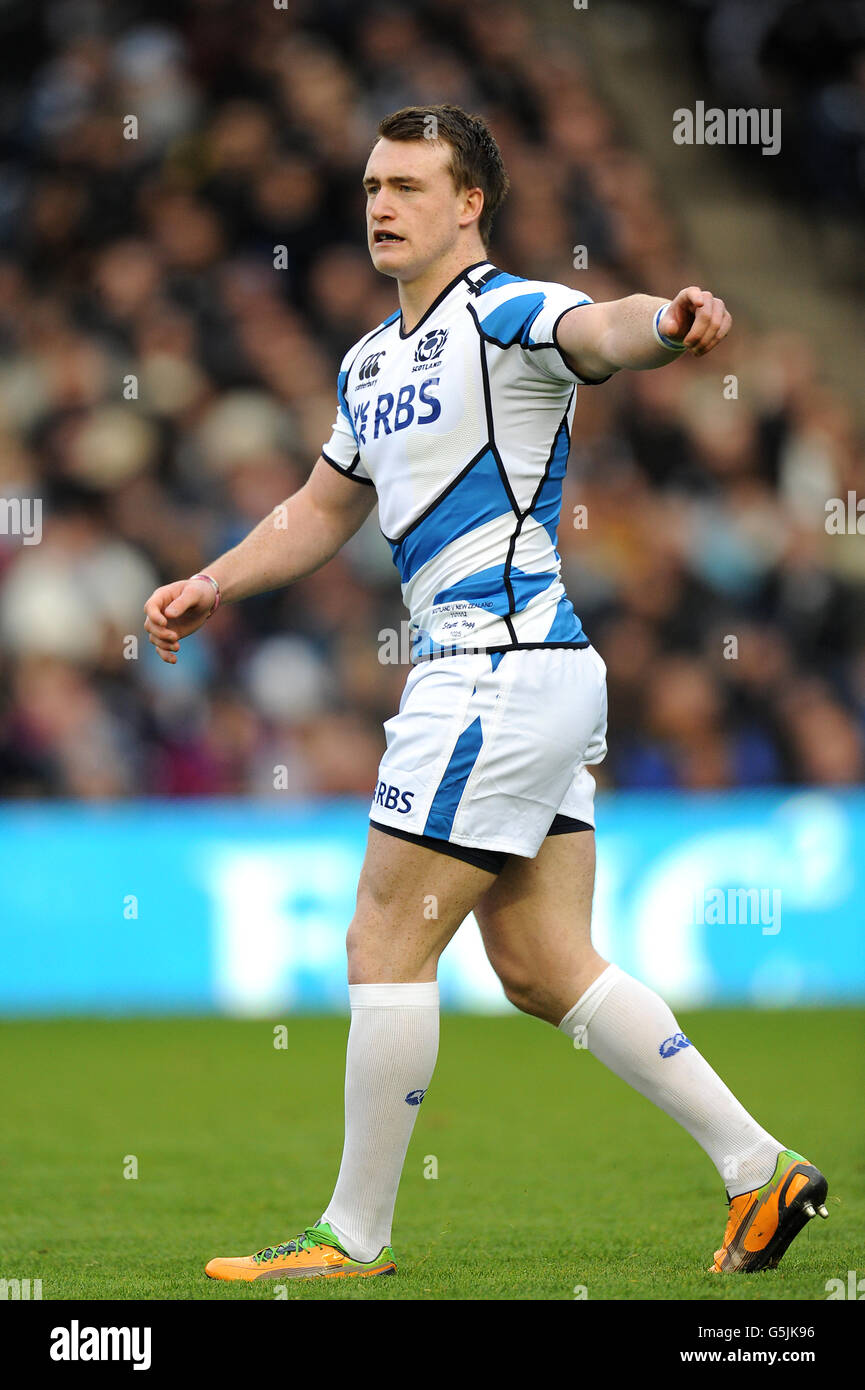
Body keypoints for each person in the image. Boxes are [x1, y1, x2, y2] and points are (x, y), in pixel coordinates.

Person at [144, 105, 828, 1282]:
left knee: (380, 937)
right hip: (527, 674)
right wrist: (214, 579)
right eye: (370, 184)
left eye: (409, 184)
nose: (381, 203)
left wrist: (665, 323)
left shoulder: (502, 312)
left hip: (490, 670)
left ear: (470, 204)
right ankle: (759, 1168)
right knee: (543, 965)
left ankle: (350, 1237)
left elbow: (598, 330)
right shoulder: (369, 363)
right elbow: (318, 510)